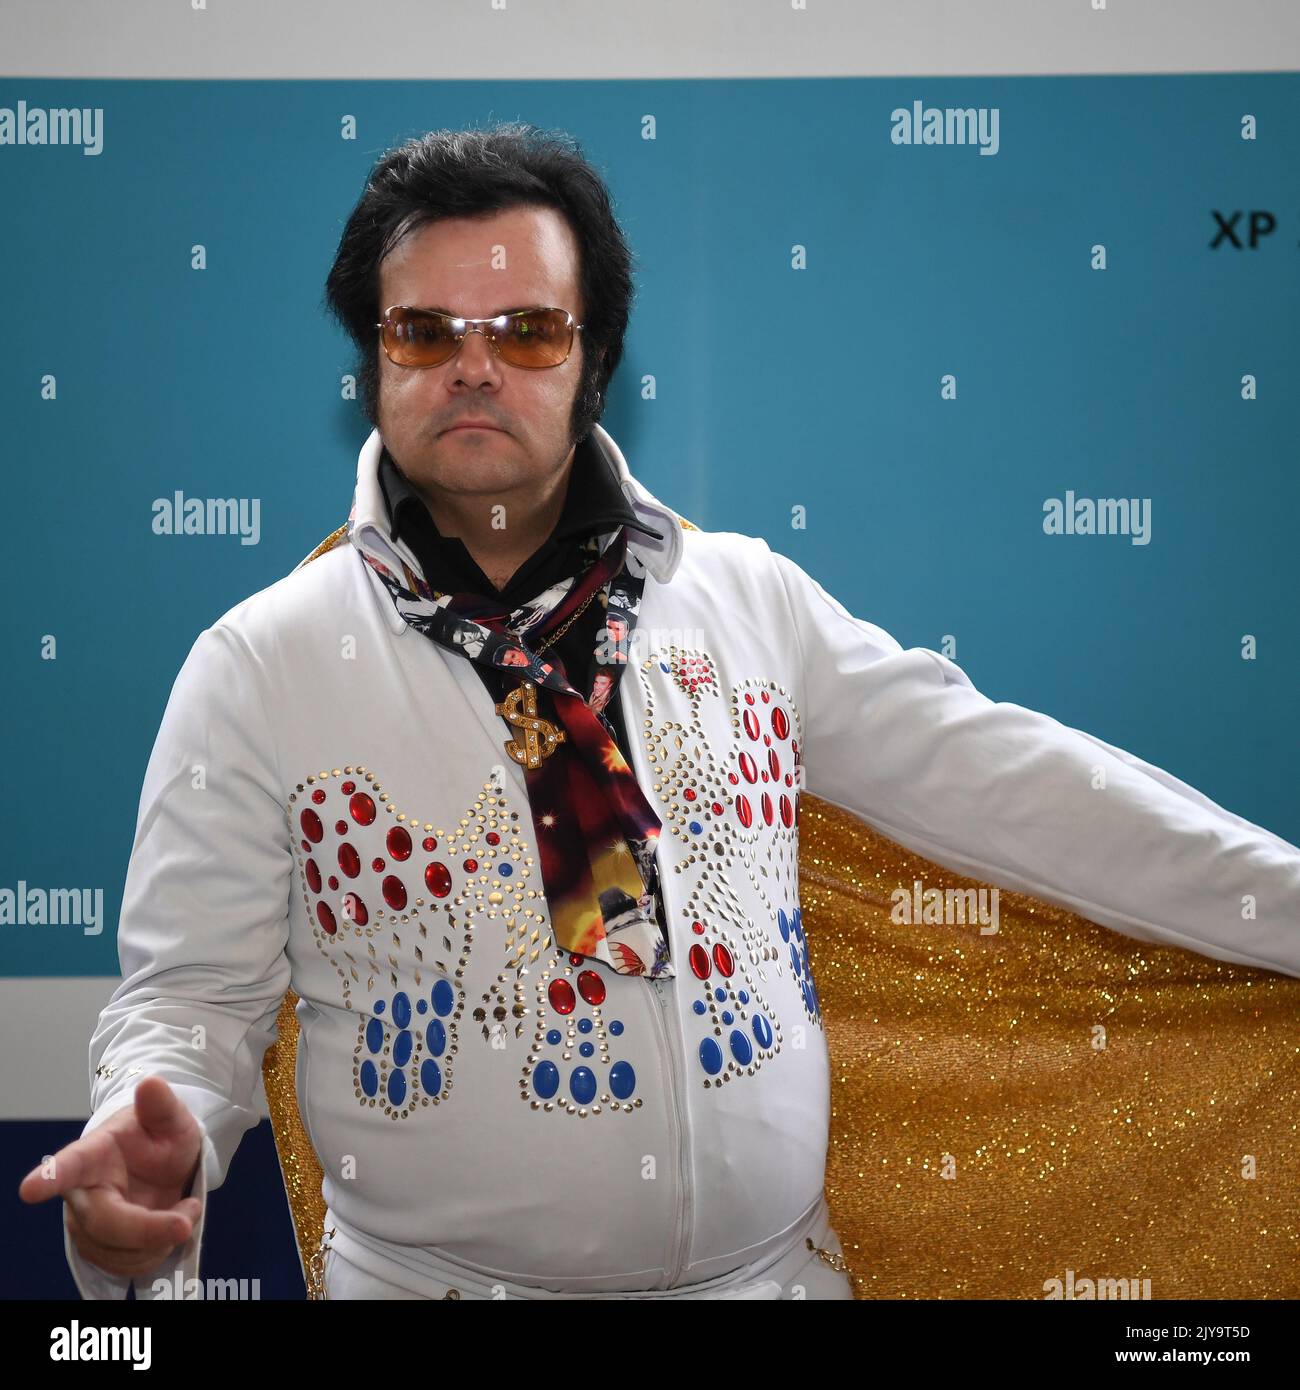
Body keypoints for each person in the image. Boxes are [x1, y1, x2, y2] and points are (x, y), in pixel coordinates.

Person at [19, 123, 1300, 1301]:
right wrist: (152, 1147)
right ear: (372, 360)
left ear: (593, 364)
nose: (473, 368)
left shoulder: (746, 599)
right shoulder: (261, 663)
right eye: (424, 333)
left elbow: (1022, 790)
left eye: (526, 331)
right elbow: (187, 1002)